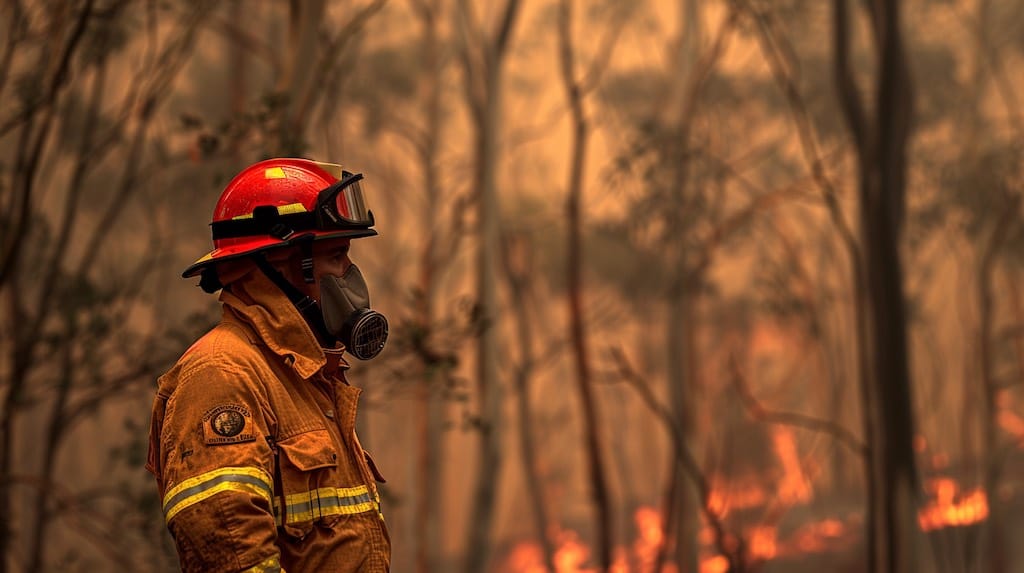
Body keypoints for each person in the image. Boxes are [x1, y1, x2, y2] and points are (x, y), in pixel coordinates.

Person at [146, 158, 392, 573]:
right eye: (336, 255)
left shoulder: (302, 376)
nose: (350, 273)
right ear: (282, 264)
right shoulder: (222, 375)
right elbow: (233, 557)